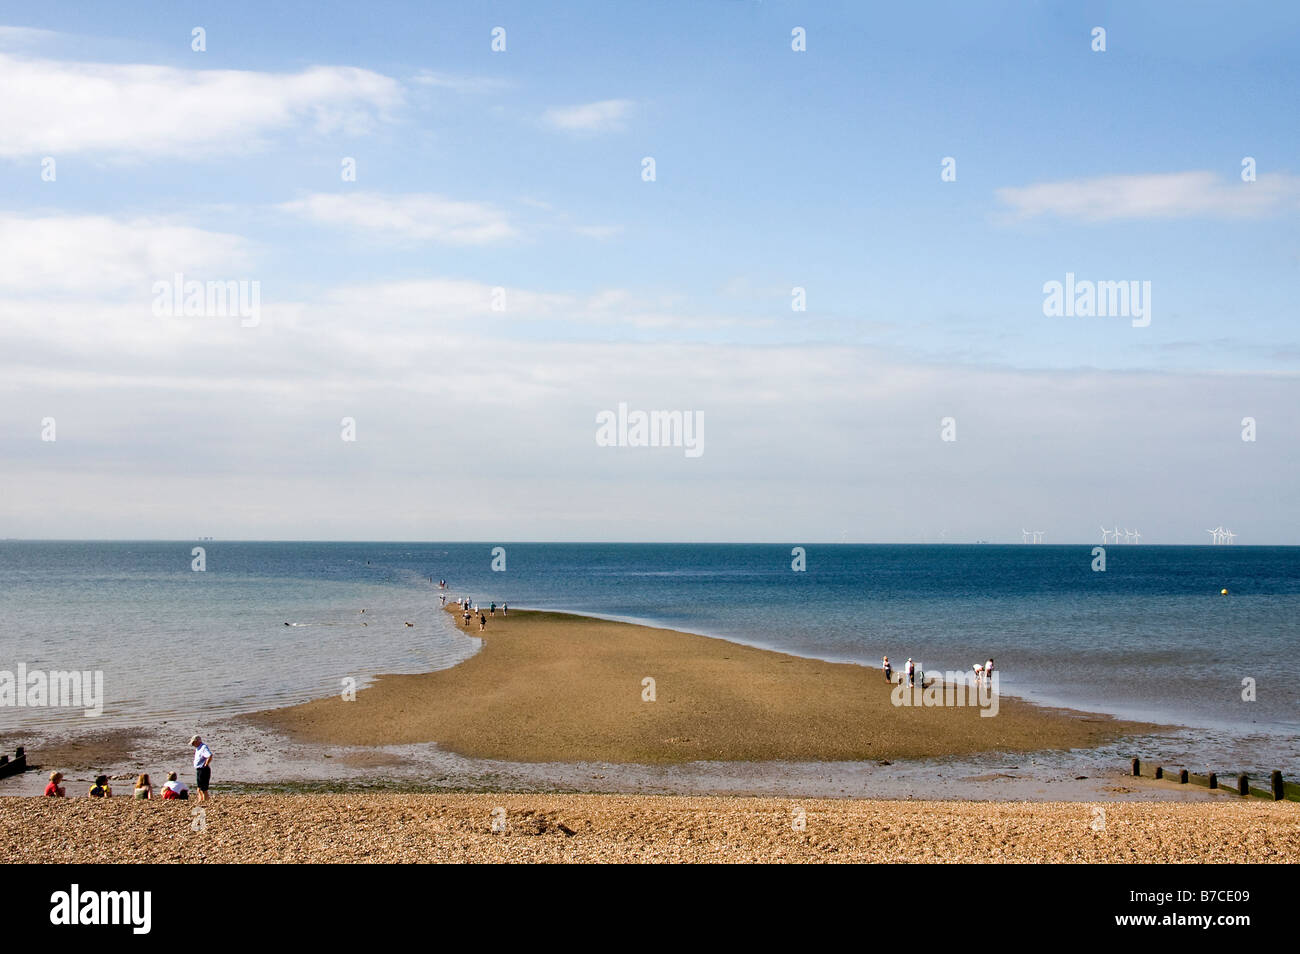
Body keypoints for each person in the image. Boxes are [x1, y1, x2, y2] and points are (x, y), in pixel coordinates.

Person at [190, 735, 212, 802]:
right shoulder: (198, 748)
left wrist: (206, 764)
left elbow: (209, 755)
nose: (193, 745)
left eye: (193, 743)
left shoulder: (203, 747)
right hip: (199, 769)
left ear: (197, 741)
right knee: (199, 788)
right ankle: (201, 800)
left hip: (203, 769)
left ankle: (205, 801)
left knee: (203, 788)